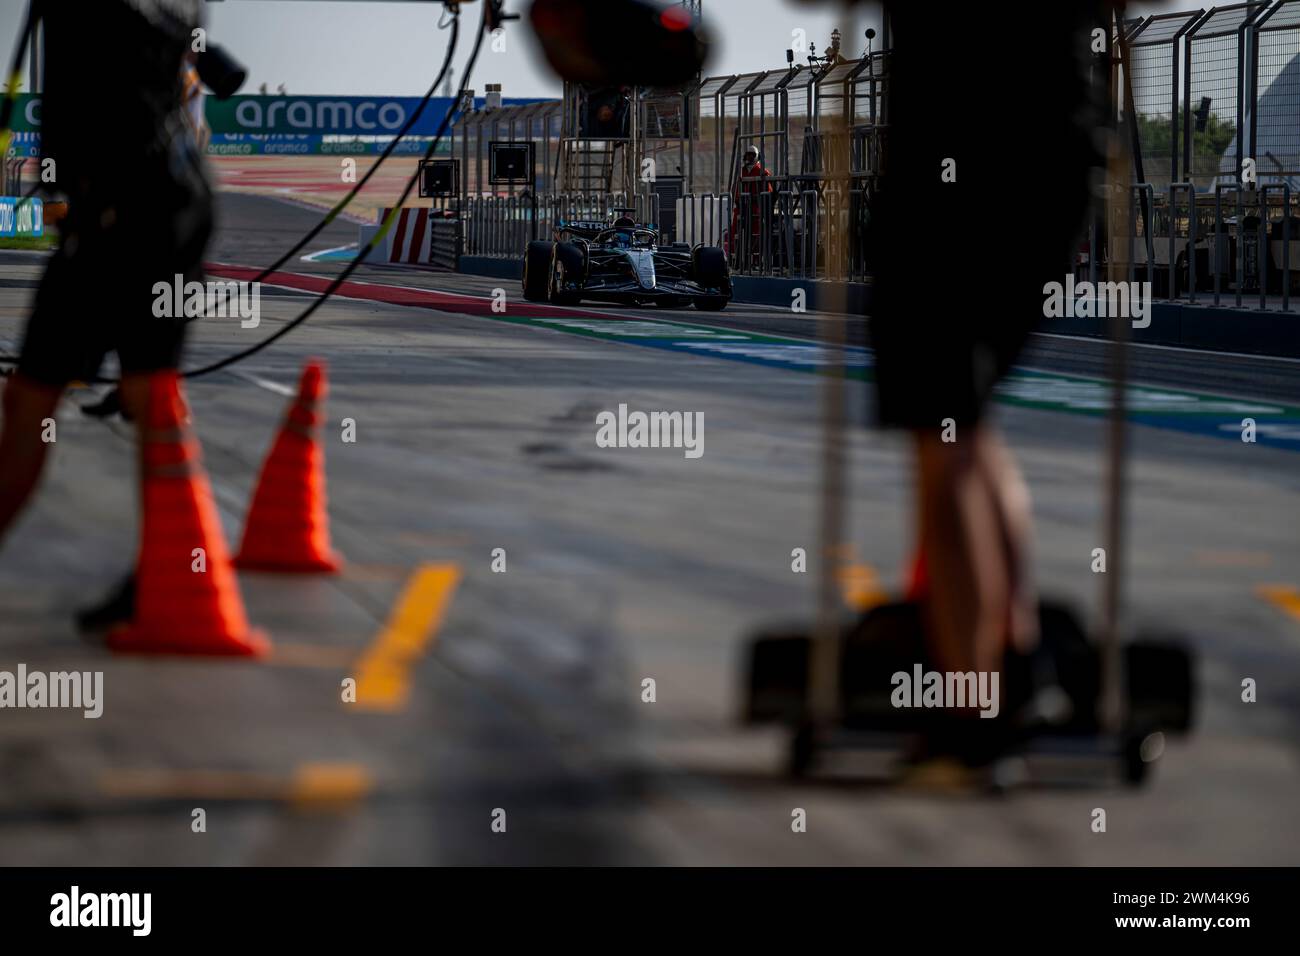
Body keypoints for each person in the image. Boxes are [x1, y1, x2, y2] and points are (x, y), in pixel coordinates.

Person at [868, 3, 1107, 761]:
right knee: (966, 422)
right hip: (1058, 161)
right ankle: (1017, 657)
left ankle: (970, 712)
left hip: (950, 158)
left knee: (944, 433)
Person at [0, 0, 214, 629]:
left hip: (130, 210)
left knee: (35, 397)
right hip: (169, 199)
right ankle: (168, 576)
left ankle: (168, 577)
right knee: (146, 392)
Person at [729, 144, 773, 265]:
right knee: (735, 232)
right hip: (741, 207)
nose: (749, 157)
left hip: (755, 208)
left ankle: (755, 261)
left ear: (757, 156)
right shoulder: (741, 171)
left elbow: (768, 192)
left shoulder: (762, 171)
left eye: (752, 155)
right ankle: (736, 259)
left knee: (755, 235)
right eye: (747, 154)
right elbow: (735, 188)